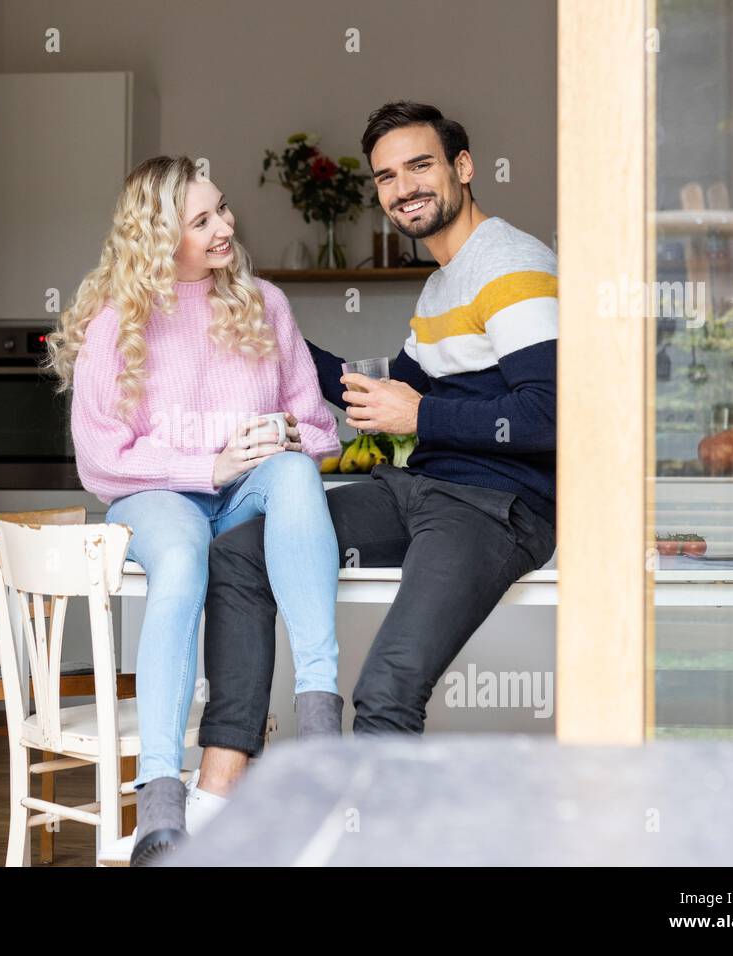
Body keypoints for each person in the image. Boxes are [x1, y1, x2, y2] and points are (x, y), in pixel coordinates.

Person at [193, 102, 559, 822]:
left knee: (387, 691)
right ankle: (223, 779)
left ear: (463, 167)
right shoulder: (442, 284)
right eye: (386, 176)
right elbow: (386, 392)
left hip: (496, 508)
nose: (403, 187)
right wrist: (270, 327)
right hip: (419, 489)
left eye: (420, 166)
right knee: (240, 553)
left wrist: (420, 416)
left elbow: (551, 415)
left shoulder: (512, 265)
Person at [47, 155, 344, 866]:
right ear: (158, 237)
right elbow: (102, 459)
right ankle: (160, 798)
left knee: (294, 472)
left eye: (223, 209)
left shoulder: (266, 304)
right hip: (158, 497)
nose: (225, 227)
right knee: (181, 562)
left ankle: (320, 718)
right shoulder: (117, 322)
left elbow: (323, 431)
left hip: (245, 493)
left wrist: (287, 435)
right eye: (201, 220)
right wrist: (205, 466)